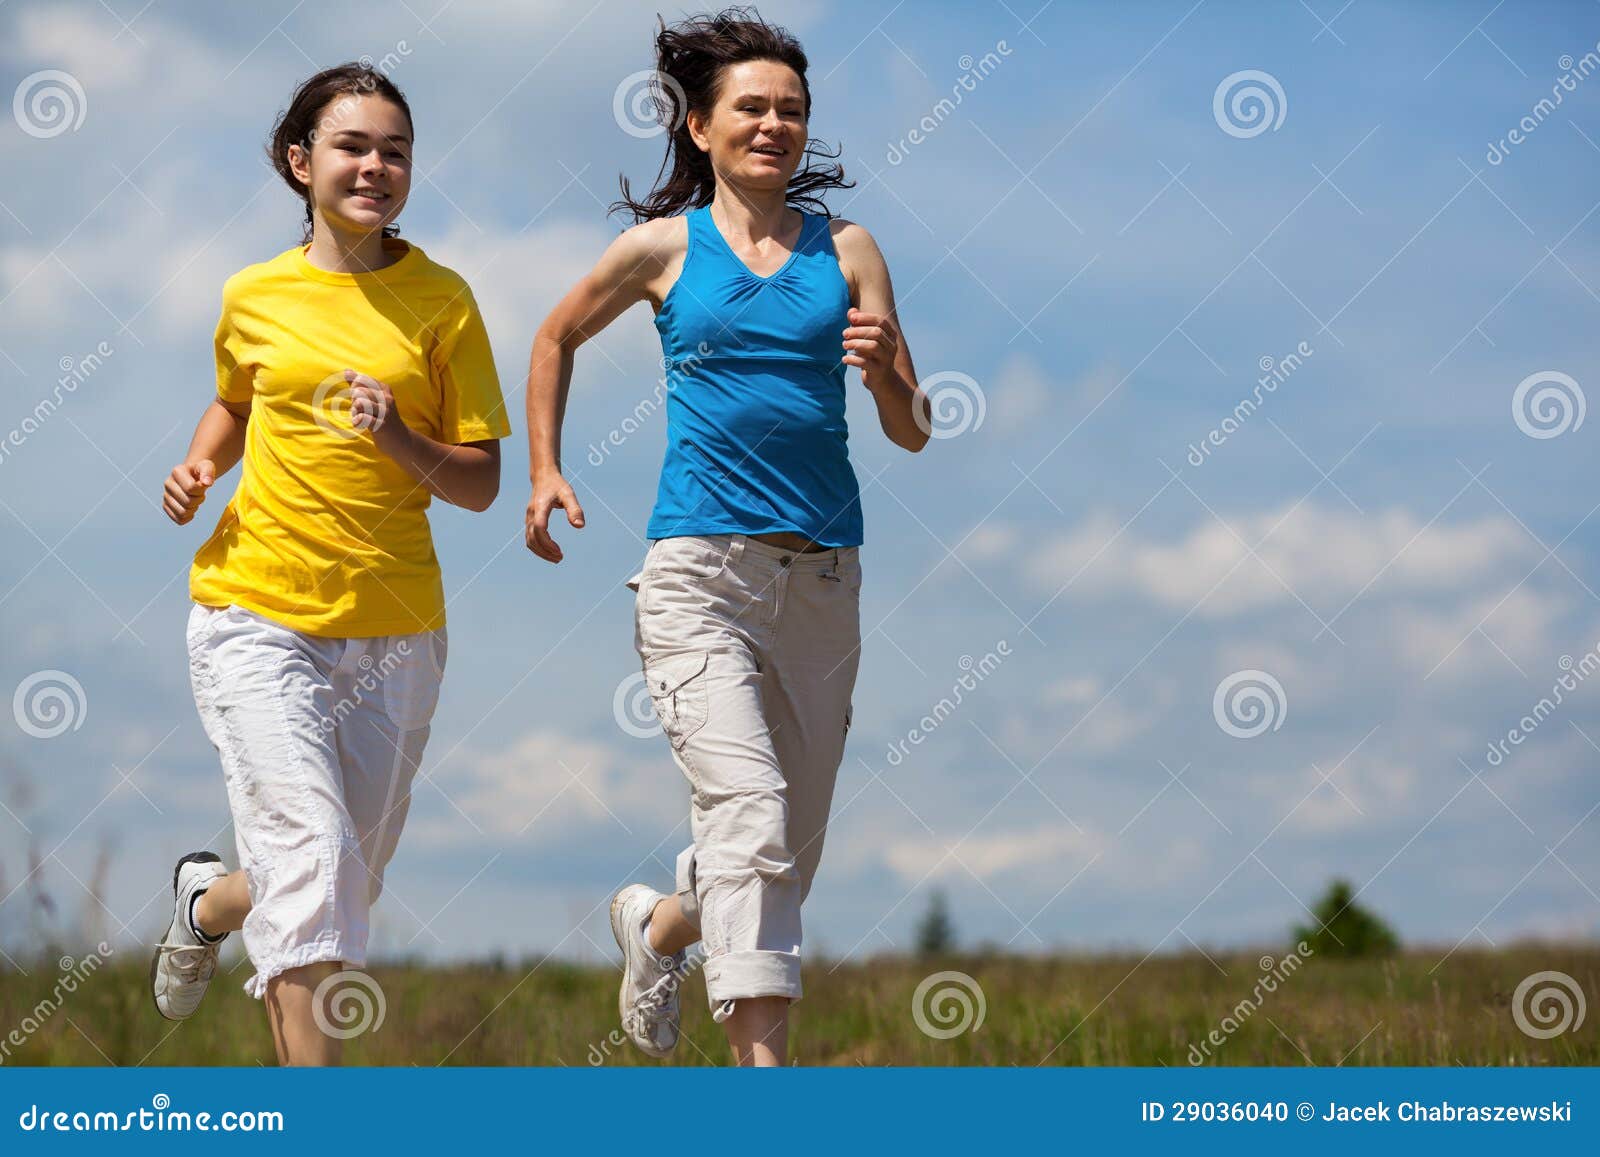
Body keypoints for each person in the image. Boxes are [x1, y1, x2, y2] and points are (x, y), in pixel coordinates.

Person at [524, 8, 930, 1066]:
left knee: (782, 850)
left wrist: (889, 370)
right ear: (700, 126)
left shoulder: (850, 250)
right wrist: (546, 465)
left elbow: (912, 429)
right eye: (750, 107)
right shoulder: (662, 248)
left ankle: (659, 929)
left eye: (791, 110)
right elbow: (555, 332)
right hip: (697, 574)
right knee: (747, 815)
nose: (774, 124)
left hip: (823, 580)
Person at [150, 63, 509, 1065]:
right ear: (301, 162)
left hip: (395, 628)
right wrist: (197, 464)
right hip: (255, 608)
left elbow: (479, 481)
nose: (376, 166)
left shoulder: (443, 301)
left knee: (336, 876)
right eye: (353, 146)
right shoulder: (253, 293)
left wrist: (400, 437)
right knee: (312, 860)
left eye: (394, 149)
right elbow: (235, 397)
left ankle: (207, 901)